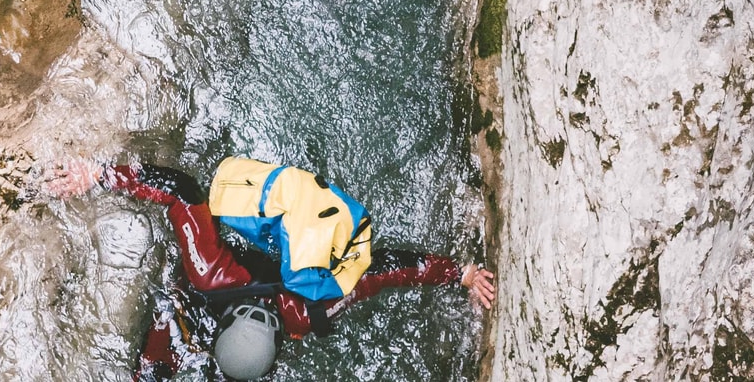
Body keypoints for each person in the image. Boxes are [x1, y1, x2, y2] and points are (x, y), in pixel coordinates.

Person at [47, 157, 496, 381]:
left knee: (158, 353)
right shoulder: (305, 308)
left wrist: (103, 175)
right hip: (255, 280)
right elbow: (386, 268)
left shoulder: (209, 276)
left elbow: (182, 190)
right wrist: (458, 273)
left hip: (213, 292)